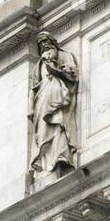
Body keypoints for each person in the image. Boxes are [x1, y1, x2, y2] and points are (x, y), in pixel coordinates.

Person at [29, 32, 79, 178]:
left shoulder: (65, 56)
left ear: (53, 42)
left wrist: (56, 69)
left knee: (60, 125)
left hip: (60, 100)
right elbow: (33, 90)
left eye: (46, 41)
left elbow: (72, 75)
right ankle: (46, 162)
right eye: (41, 43)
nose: (44, 44)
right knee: (45, 131)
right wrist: (30, 109)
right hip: (42, 104)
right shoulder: (38, 66)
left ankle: (62, 155)